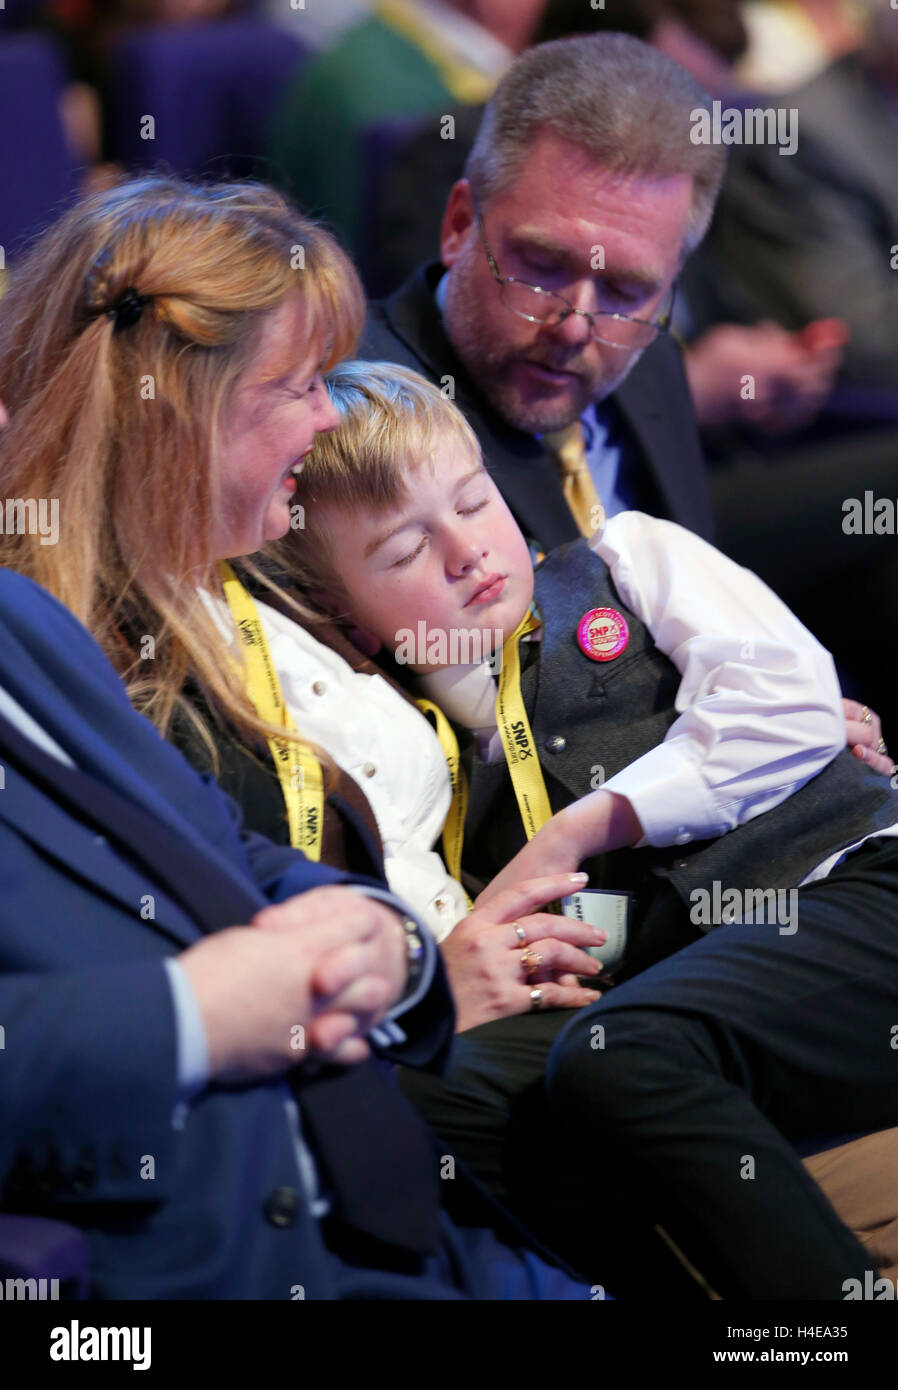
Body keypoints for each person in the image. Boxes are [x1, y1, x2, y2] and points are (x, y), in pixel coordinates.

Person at [284, 358, 898, 1297]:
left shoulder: (627, 560)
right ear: (344, 616)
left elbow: (789, 705)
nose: (468, 552)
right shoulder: (417, 752)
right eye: (406, 550)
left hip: (853, 882)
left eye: (476, 500)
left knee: (630, 1057)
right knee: (442, 1088)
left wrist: (576, 831)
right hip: (697, 999)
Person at [0, 174, 604, 1039]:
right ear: (184, 418)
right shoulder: (75, 658)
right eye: (299, 387)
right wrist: (429, 989)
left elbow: (494, 633)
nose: (328, 417)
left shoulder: (241, 559)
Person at [0, 562, 593, 1300]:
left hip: (396, 1207)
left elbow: (207, 833)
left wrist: (383, 937)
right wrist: (193, 1015)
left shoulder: (18, 612)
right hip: (178, 1266)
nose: (321, 435)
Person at [360, 33, 721, 553]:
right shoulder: (365, 418)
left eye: (625, 289)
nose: (575, 326)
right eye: (543, 267)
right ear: (460, 225)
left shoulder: (654, 361)